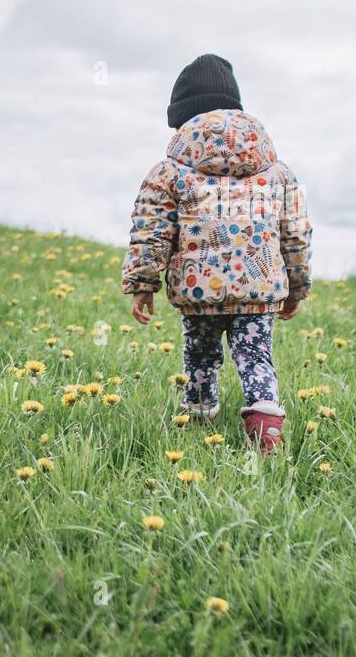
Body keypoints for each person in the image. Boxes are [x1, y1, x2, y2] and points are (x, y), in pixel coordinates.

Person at [122, 54, 312, 451]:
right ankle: (266, 433)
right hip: (258, 293)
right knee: (256, 359)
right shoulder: (277, 172)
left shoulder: (168, 171)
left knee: (201, 359)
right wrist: (297, 285)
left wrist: (143, 283)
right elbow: (294, 233)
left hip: (198, 292)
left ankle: (196, 425)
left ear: (183, 118)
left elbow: (151, 228)